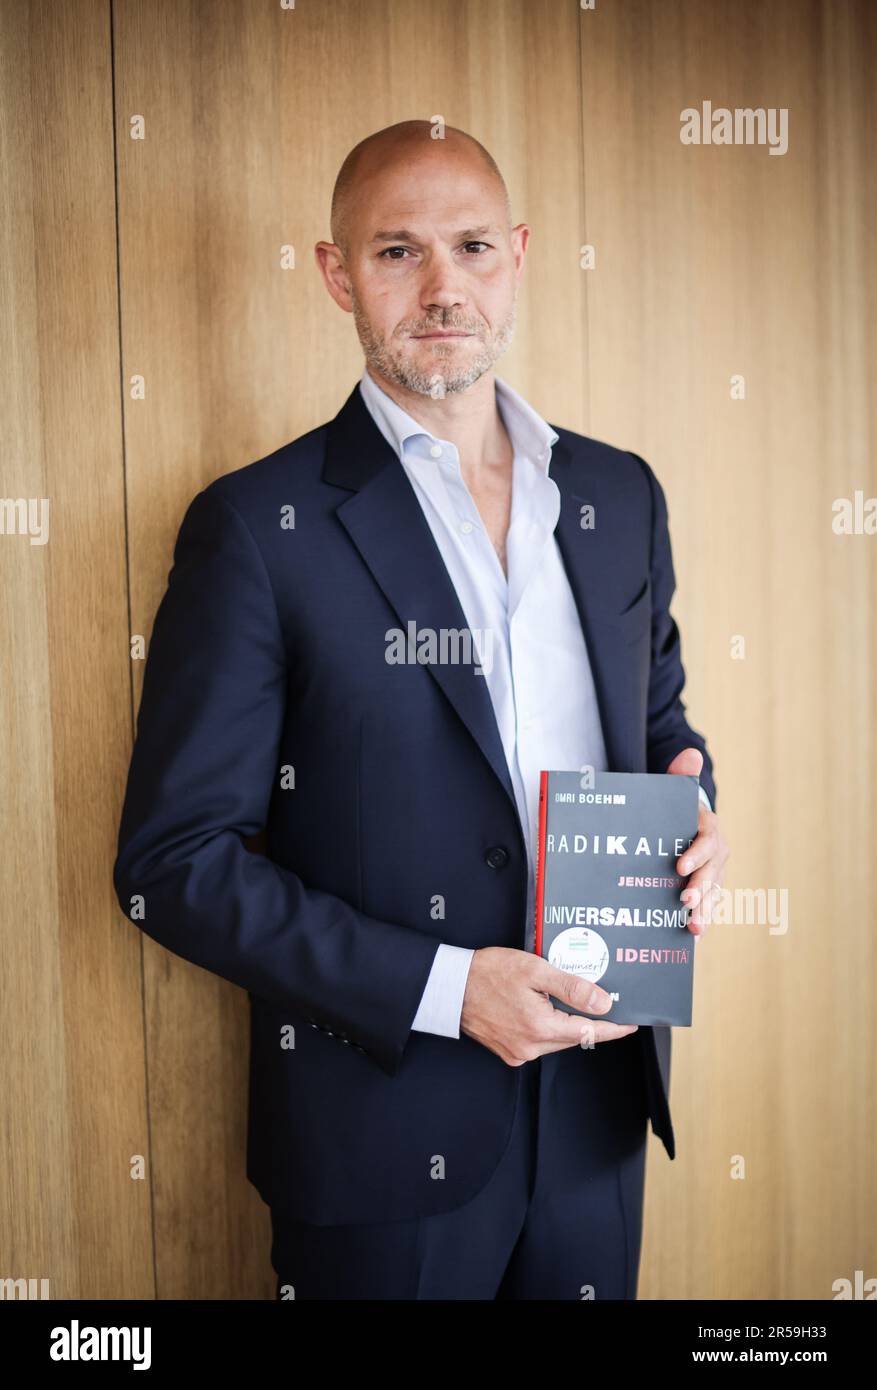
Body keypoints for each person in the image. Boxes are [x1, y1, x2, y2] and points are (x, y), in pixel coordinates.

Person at [113, 119, 730, 1300]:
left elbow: (660, 727)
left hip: (600, 1107)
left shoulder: (616, 494)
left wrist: (696, 801)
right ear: (338, 273)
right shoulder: (256, 528)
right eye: (397, 252)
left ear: (521, 256)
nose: (444, 286)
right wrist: (449, 989)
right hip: (380, 1144)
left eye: (472, 246)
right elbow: (172, 863)